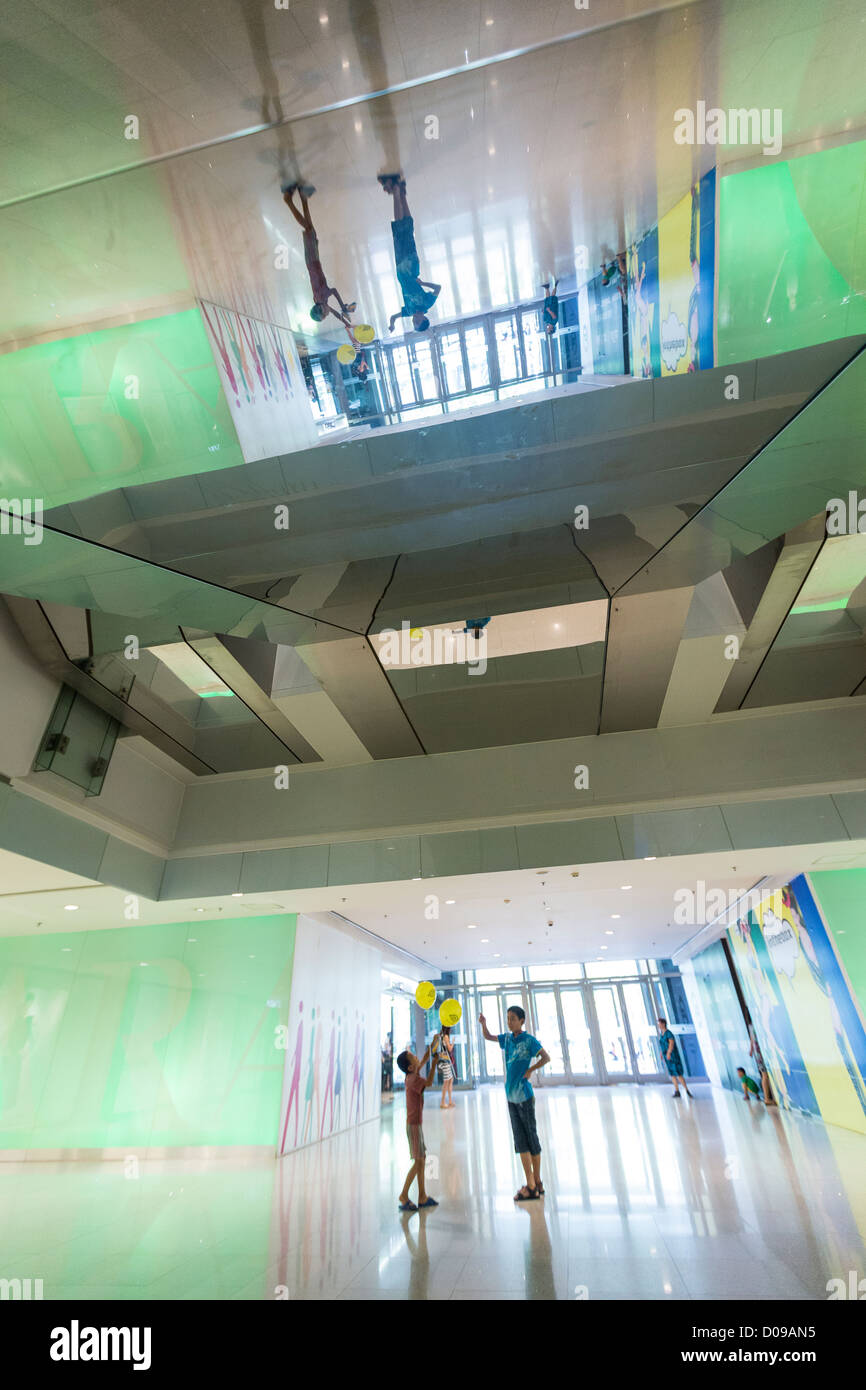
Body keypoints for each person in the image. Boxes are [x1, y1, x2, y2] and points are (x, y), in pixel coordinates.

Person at [479, 1004, 550, 1201]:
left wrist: (531, 1070)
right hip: (510, 1096)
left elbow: (546, 1057)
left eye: (512, 1018)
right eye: (508, 1018)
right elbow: (489, 1037)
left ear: (521, 1021)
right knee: (520, 1140)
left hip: (524, 1097)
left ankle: (533, 1184)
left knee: (530, 1138)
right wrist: (484, 1024)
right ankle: (534, 1183)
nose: (509, 1021)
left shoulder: (529, 1040)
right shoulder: (508, 1038)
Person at [281, 183, 359, 342]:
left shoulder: (321, 296)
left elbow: (334, 290)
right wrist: (345, 321)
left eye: (325, 315)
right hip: (313, 261)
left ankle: (289, 200)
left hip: (313, 261)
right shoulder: (320, 301)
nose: (327, 314)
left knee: (309, 229)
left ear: (322, 310)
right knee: (311, 229)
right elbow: (334, 311)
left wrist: (343, 306)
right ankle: (303, 198)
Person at [378, 174, 441, 332]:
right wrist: (423, 284)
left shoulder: (409, 311)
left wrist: (392, 324)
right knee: (402, 230)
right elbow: (438, 288)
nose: (414, 320)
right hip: (411, 266)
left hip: (401, 267)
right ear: (424, 318)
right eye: (417, 322)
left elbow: (393, 317)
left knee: (405, 229)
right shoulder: (427, 304)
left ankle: (401, 192)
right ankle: (396, 190)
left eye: (414, 323)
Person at [396, 1036, 440, 1212]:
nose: (416, 1057)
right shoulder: (414, 1080)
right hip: (414, 1125)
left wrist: (433, 1045)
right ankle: (404, 1195)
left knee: (422, 1161)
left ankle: (422, 1196)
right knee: (418, 1161)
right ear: (410, 1067)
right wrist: (435, 1063)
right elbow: (428, 1082)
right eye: (413, 1056)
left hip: (416, 1124)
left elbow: (423, 1060)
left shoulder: (412, 1073)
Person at [657, 1017, 693, 1098]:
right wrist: (662, 1053)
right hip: (667, 1056)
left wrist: (669, 1053)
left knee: (678, 1074)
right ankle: (677, 1091)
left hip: (673, 1056)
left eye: (659, 1023)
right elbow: (662, 1045)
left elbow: (671, 1044)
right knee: (672, 1074)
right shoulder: (661, 1034)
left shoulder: (668, 1033)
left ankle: (687, 1090)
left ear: (663, 1024)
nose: (658, 1025)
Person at [436, 1026, 456, 1109]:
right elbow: (450, 1049)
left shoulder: (440, 1036)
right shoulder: (446, 1036)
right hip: (445, 1061)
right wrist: (453, 1042)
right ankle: (442, 1102)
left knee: (450, 1080)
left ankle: (450, 1101)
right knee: (446, 1081)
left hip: (443, 1060)